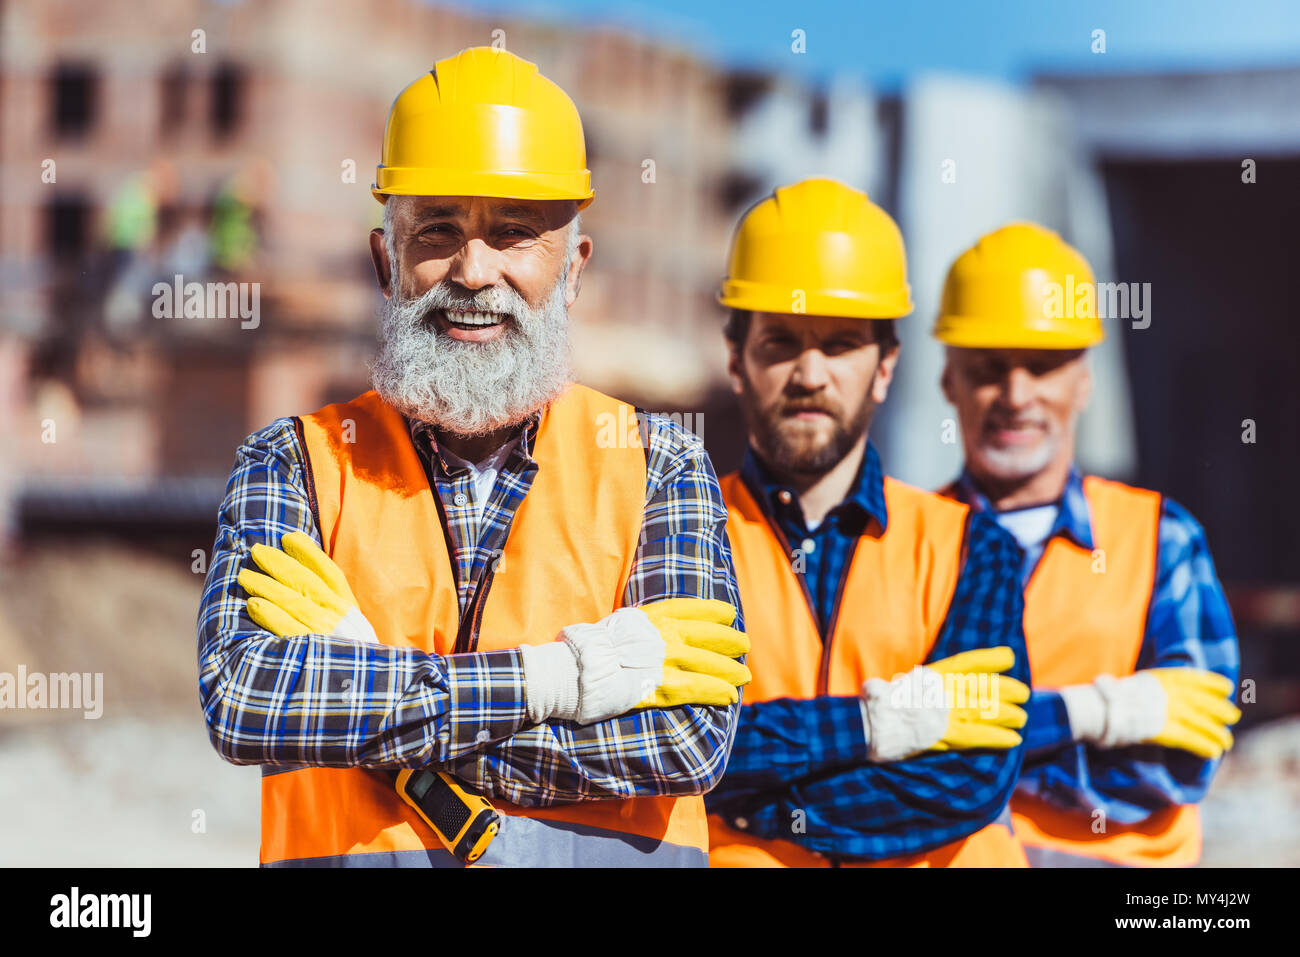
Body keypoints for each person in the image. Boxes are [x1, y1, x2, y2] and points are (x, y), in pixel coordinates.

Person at [196, 46, 750, 868]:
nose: (472, 271)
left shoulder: (660, 465)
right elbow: (248, 701)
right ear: (387, 262)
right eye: (438, 229)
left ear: (573, 270)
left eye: (515, 234)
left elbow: (687, 738)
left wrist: (370, 700)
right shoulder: (293, 464)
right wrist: (555, 680)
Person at [704, 178, 1031, 867]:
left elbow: (966, 777)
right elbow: (672, 745)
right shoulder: (676, 530)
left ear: (885, 367)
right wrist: (873, 725)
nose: (811, 373)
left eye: (842, 343)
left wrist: (750, 801)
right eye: (781, 341)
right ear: (736, 358)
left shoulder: (975, 550)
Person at [934, 222, 1241, 866]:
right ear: (948, 382)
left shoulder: (1161, 540)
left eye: (1042, 366)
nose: (1016, 396)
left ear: (1084, 382)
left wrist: (967, 755)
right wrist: (1097, 716)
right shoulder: (904, 541)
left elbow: (1181, 761)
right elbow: (867, 745)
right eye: (988, 369)